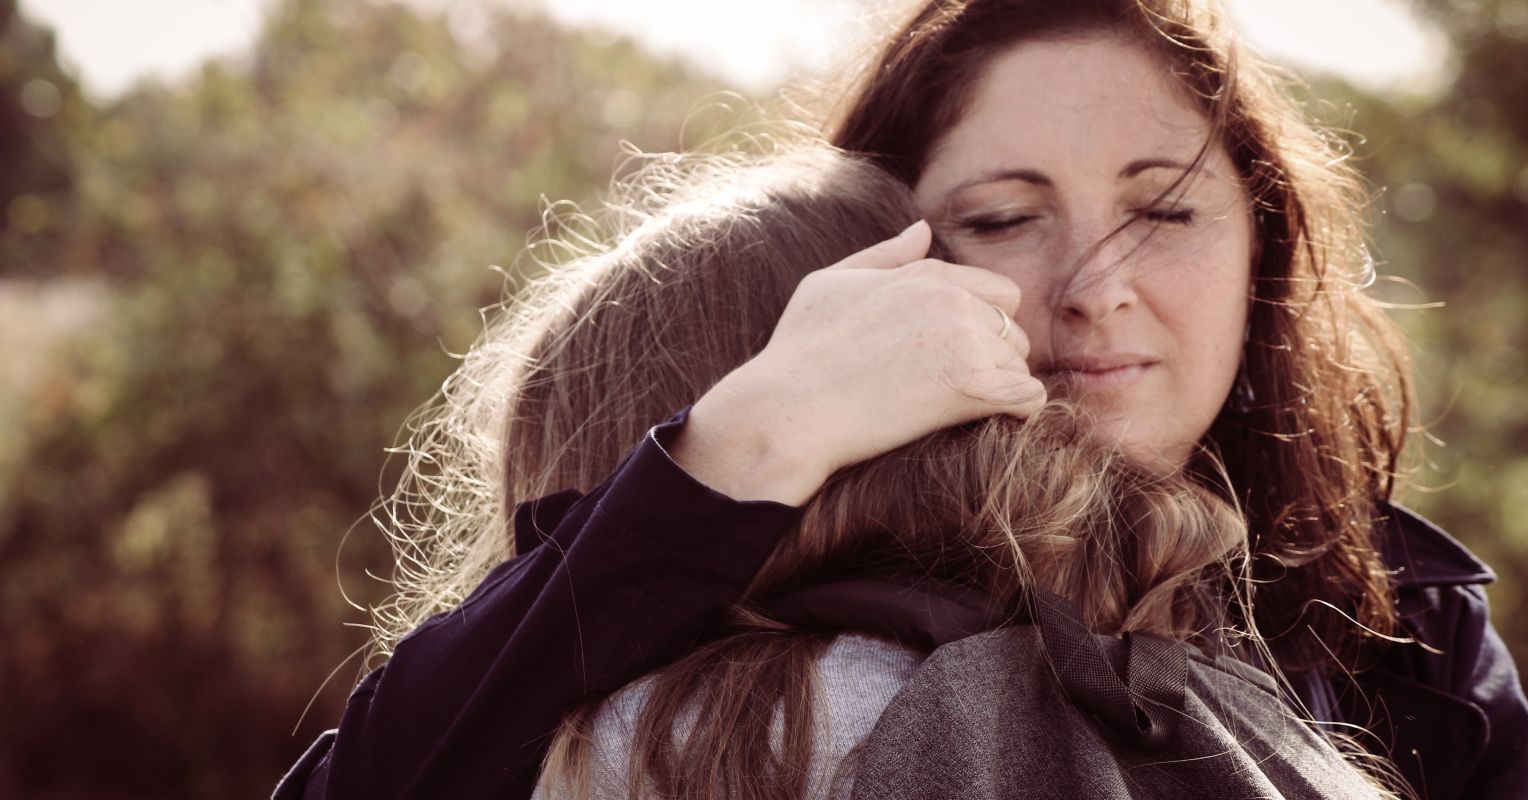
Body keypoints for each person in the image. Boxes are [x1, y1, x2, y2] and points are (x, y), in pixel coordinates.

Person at [274, 0, 1528, 797]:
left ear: (1259, 248)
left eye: (1161, 209)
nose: (1096, 290)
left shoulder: (1410, 632)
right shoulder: (748, 625)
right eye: (1000, 219)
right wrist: (738, 445)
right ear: (873, 269)